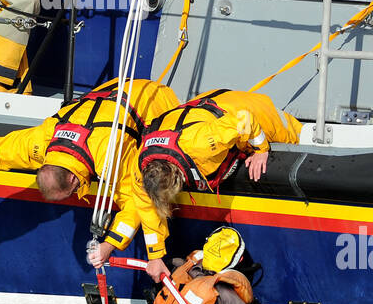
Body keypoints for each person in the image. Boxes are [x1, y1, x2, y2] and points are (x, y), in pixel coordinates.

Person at [0, 79, 179, 279]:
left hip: (157, 102)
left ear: (75, 182)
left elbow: (138, 200)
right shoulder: (42, 141)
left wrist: (112, 244)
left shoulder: (109, 156)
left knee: (152, 173)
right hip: (117, 92)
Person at [88, 89, 303, 270]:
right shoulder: (141, 166)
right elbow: (147, 211)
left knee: (296, 134)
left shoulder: (203, 145)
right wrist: (155, 256)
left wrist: (261, 149)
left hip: (249, 110)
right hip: (201, 110)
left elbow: (245, 119)